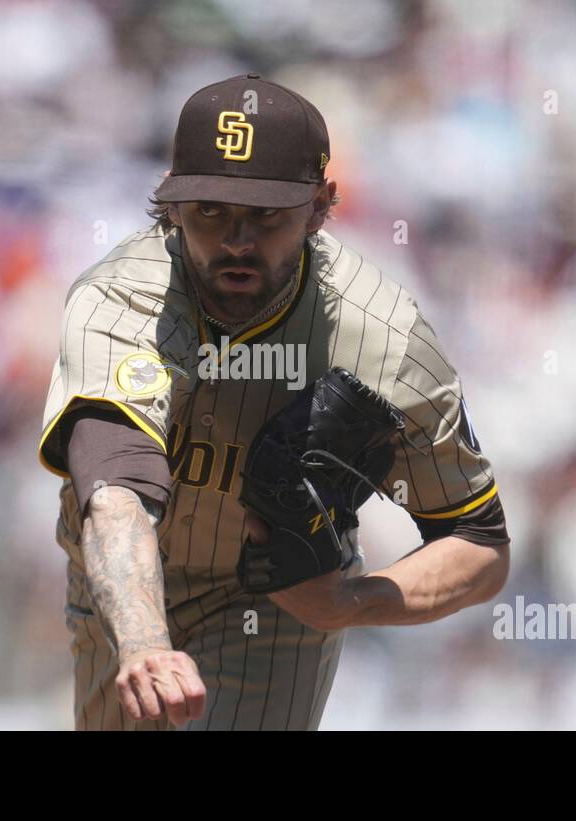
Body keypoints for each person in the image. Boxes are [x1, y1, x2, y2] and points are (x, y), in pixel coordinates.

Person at [38, 73, 510, 730]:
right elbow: (116, 493)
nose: (236, 241)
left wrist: (352, 599)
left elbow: (478, 539)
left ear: (322, 205)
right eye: (211, 211)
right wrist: (146, 644)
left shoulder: (381, 335)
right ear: (172, 204)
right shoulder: (120, 300)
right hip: (123, 581)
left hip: (275, 596)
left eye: (266, 215)